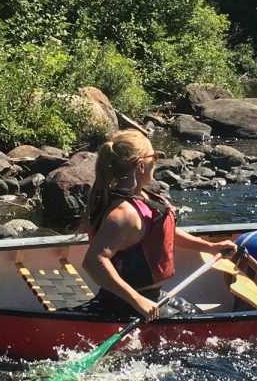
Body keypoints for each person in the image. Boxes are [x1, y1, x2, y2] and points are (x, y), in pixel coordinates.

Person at [81, 130, 236, 320]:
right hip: (126, 306)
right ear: (141, 165)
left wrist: (210, 247)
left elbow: (163, 232)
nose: (156, 161)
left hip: (152, 298)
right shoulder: (124, 213)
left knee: (202, 319)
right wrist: (137, 300)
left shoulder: (141, 198)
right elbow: (93, 261)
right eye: (154, 157)